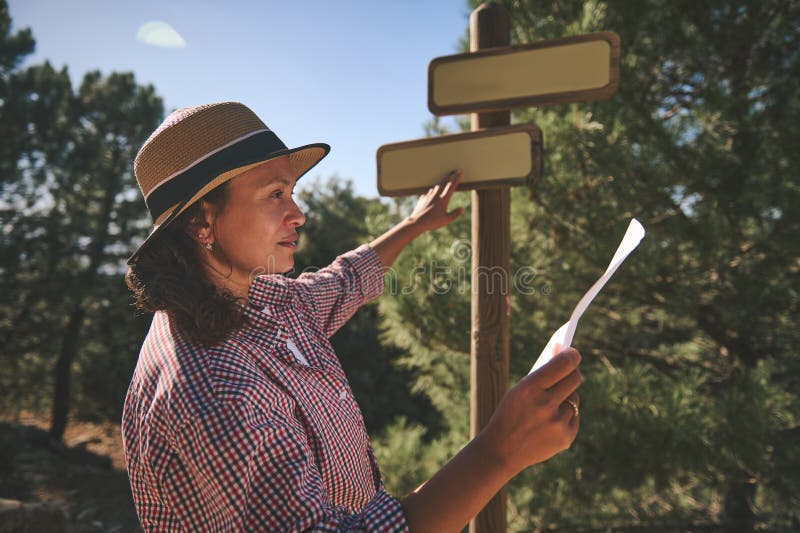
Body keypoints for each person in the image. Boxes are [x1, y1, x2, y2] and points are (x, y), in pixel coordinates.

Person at [122, 101, 582, 532]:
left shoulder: (258, 302)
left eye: (293, 193)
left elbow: (343, 281)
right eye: (275, 194)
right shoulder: (217, 389)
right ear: (201, 223)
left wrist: (412, 224)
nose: (297, 213)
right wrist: (500, 450)